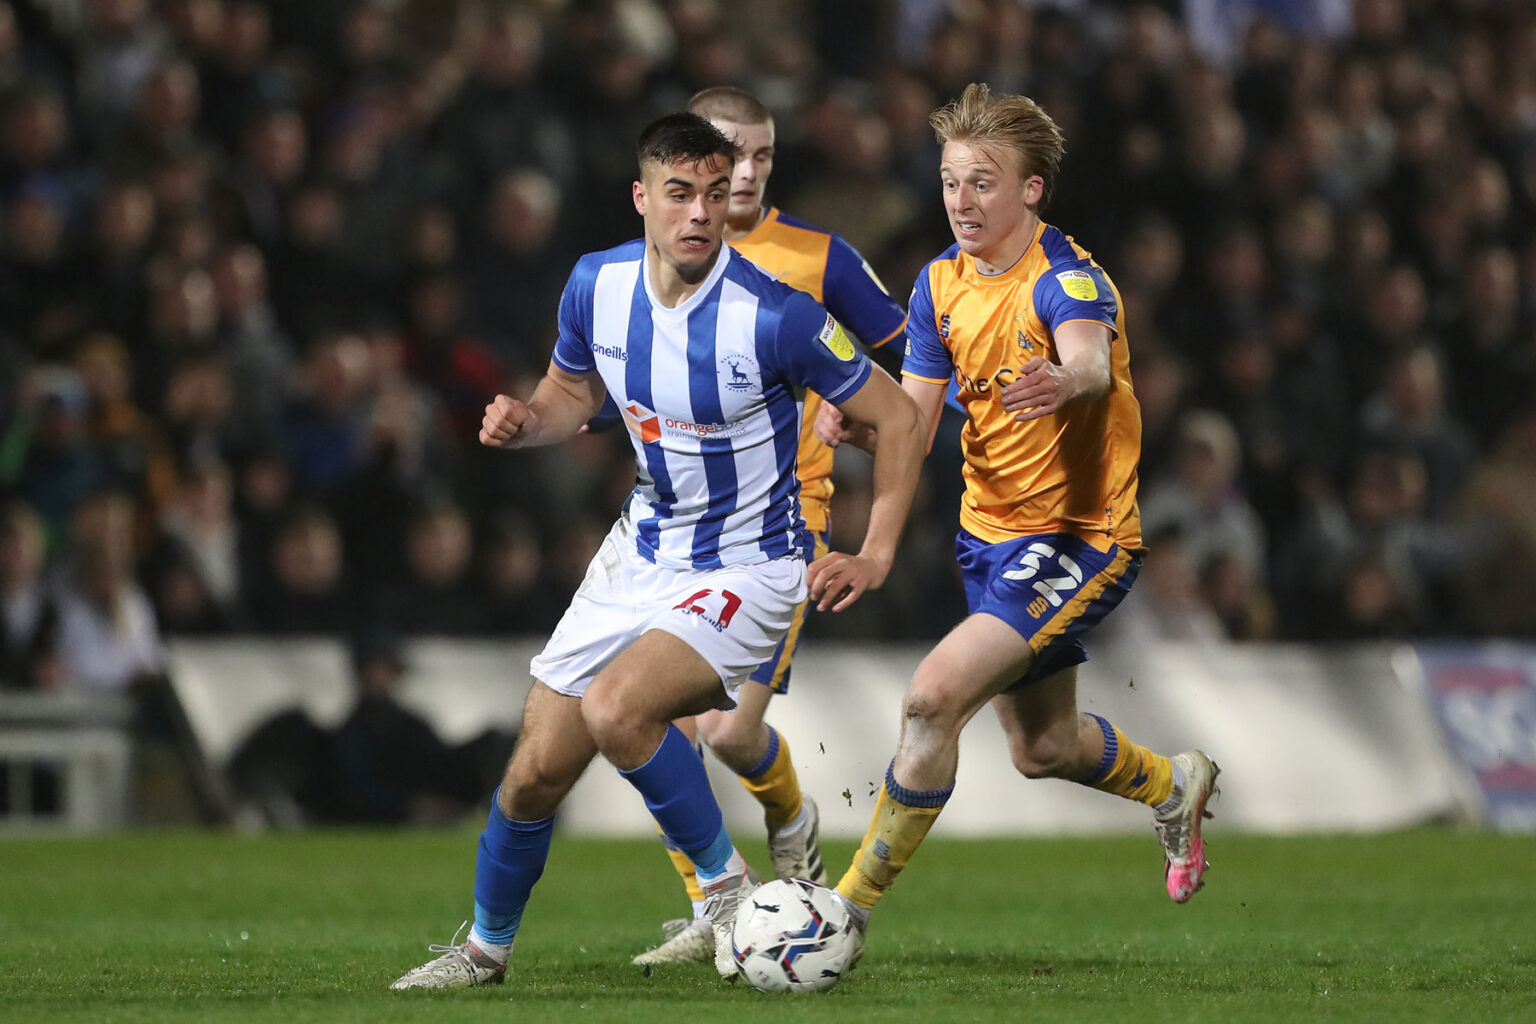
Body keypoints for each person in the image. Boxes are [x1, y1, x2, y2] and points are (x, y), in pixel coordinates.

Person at [390, 112, 924, 989]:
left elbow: (898, 418)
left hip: (750, 564)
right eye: (679, 194)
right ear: (641, 198)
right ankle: (484, 952)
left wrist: (876, 553)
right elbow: (569, 392)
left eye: (714, 194)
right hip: (638, 554)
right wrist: (527, 422)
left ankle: (725, 891)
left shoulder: (778, 316)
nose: (700, 213)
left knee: (618, 709)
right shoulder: (594, 285)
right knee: (531, 777)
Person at [819, 84, 1220, 954]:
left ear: (1031, 190)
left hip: (1079, 538)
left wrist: (1066, 380)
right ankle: (1171, 784)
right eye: (950, 182)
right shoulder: (939, 285)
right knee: (1043, 748)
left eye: (983, 182)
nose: (961, 201)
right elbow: (915, 425)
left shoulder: (1065, 279)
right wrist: (862, 428)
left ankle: (841, 915)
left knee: (931, 700)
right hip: (989, 539)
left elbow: (1091, 362)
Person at [629, 85, 910, 967]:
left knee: (726, 732)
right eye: (729, 153)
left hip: (783, 526)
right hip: (677, 526)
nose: (745, 172)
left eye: (761, 156)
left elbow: (917, 374)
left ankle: (790, 816)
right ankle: (712, 906)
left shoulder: (820, 260)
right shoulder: (651, 261)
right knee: (658, 720)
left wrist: (861, 418)